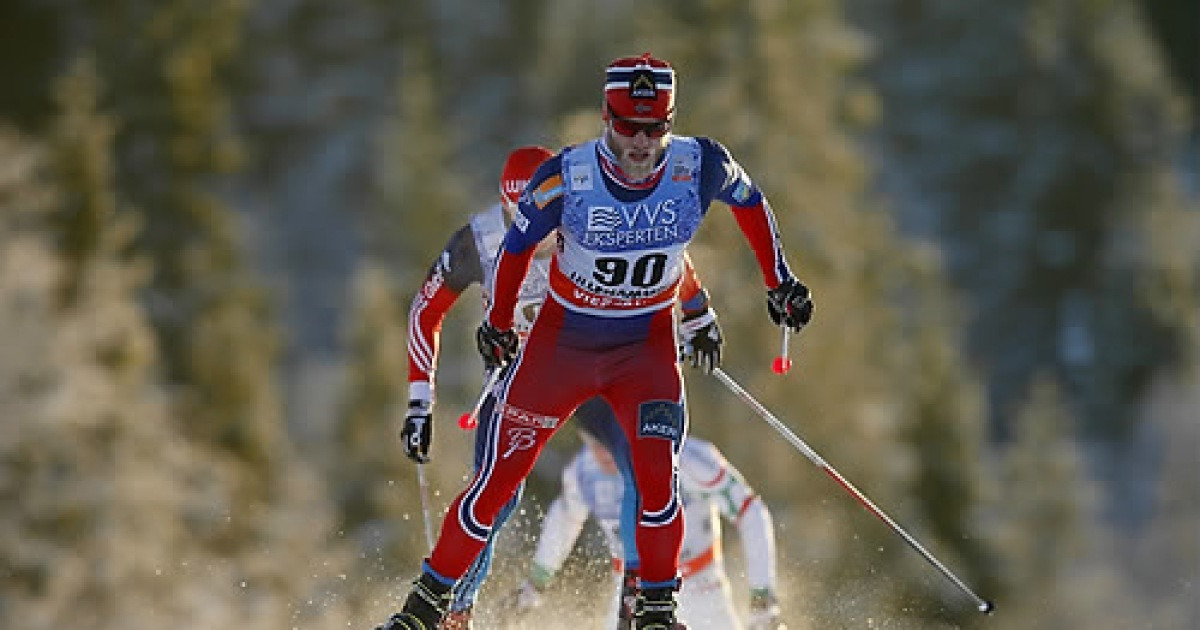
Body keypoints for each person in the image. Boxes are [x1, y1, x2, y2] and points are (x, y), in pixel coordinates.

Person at [379, 52, 813, 630]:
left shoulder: (700, 163)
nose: (639, 142)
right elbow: (512, 252)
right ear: (606, 118)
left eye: (654, 127)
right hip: (563, 346)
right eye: (626, 127)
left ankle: (656, 610)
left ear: (671, 121)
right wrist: (499, 324)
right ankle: (425, 608)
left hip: (646, 349)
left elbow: (751, 204)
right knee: (497, 482)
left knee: (658, 480)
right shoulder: (567, 176)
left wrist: (776, 282)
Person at [399, 145, 724, 630]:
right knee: (496, 492)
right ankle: (452, 609)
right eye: (520, 215)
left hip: (602, 372)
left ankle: (641, 606)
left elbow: (662, 254)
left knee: (643, 465)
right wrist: (420, 403)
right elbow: (426, 310)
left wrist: (696, 313)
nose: (542, 232)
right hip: (524, 376)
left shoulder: (591, 213)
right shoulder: (482, 240)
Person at [504, 426, 786, 630]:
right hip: (628, 594)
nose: (602, 451)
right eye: (592, 438)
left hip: (700, 589)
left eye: (609, 438)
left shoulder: (688, 459)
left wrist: (762, 599)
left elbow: (752, 514)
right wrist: (535, 584)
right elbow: (564, 520)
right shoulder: (583, 471)